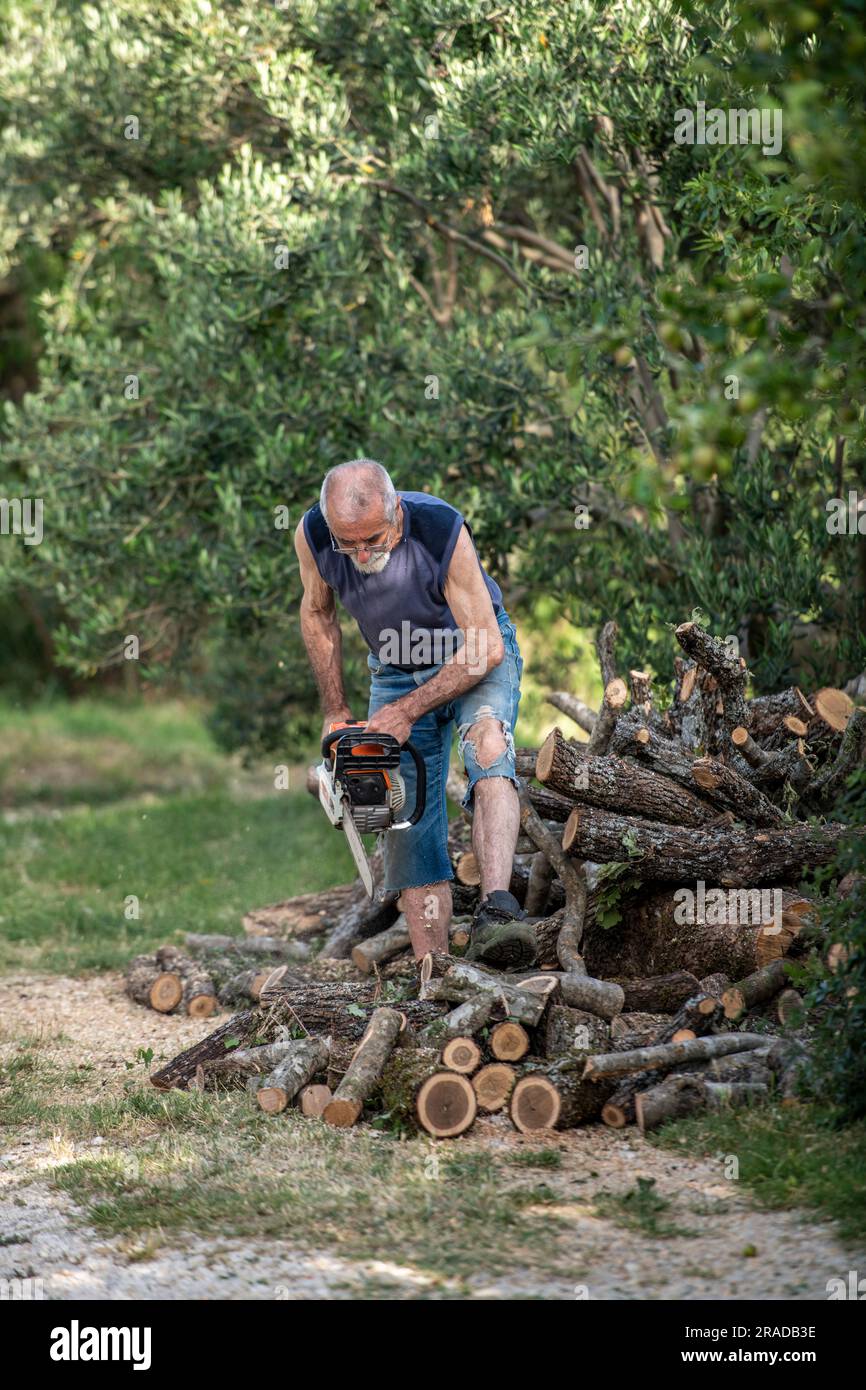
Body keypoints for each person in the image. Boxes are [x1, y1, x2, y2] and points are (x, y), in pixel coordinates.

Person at [294, 457, 537, 969]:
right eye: (349, 543)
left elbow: (484, 648)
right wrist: (335, 711)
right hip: (396, 665)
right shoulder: (315, 534)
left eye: (374, 539)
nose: (361, 553)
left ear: (397, 513)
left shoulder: (440, 528)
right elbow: (317, 614)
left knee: (488, 742)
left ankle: (498, 912)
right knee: (401, 812)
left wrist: (408, 711)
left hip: (472, 651)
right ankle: (437, 975)